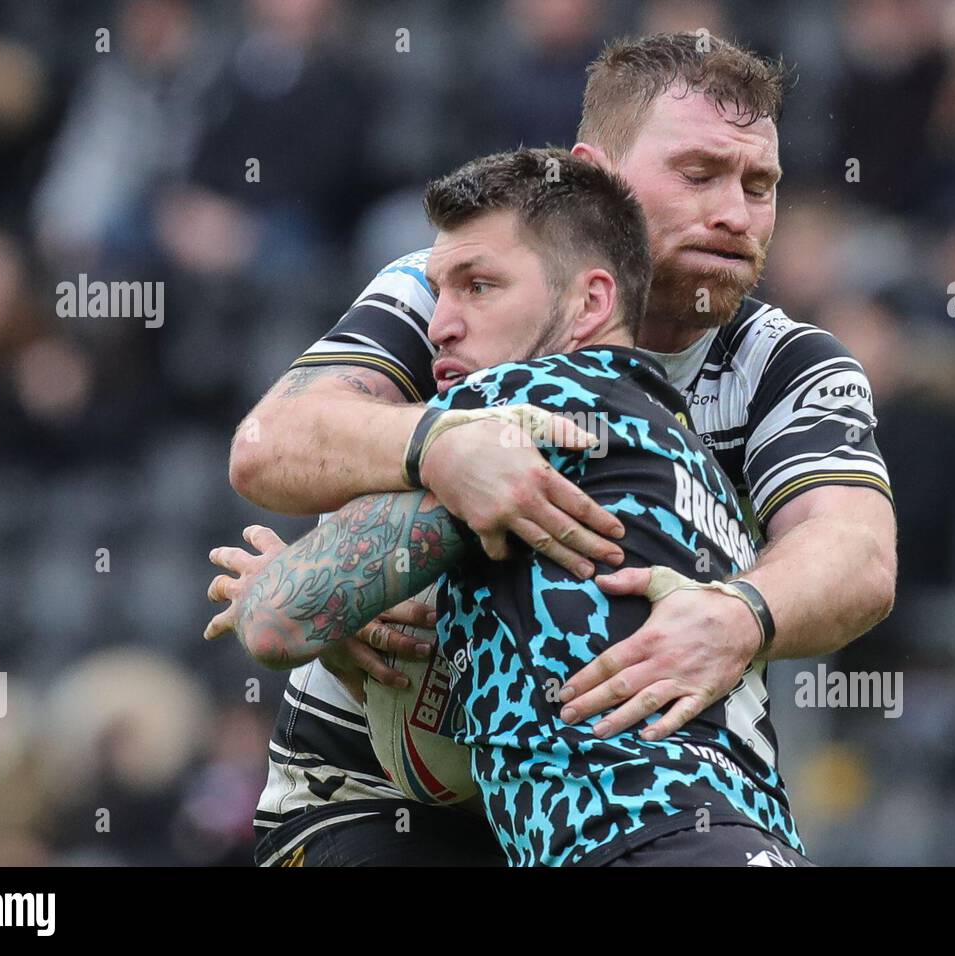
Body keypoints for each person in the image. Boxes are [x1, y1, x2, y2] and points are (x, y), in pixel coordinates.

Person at [218, 32, 896, 866]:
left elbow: (855, 551)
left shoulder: (785, 363)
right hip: (378, 793)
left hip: (620, 802)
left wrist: (740, 615)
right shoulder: (462, 284)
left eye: (760, 185)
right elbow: (269, 442)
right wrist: (441, 451)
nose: (735, 213)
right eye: (699, 174)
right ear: (594, 174)